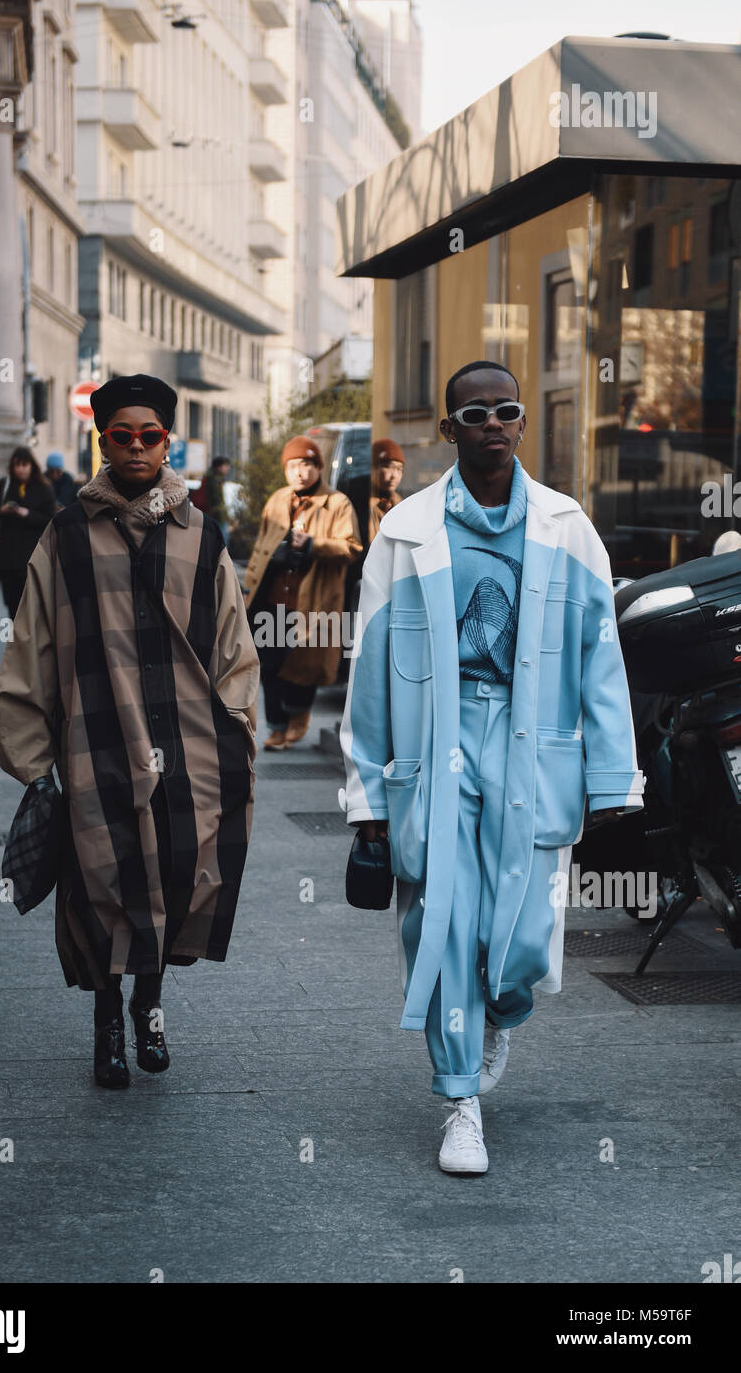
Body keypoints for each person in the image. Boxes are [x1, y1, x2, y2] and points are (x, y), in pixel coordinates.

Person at [340, 361, 643, 1174]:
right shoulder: (405, 530)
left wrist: (614, 777)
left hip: (532, 743)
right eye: (473, 414)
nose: (492, 423)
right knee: (442, 916)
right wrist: (366, 788)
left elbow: (598, 656)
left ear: (520, 423)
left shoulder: (565, 524)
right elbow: (369, 665)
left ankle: (500, 1011)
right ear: (449, 430)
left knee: (524, 940)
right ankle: (459, 1100)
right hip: (435, 744)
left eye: (505, 410)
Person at [0, 374, 259, 1089]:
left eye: (150, 435)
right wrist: (34, 755)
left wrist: (234, 729)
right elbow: (31, 642)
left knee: (175, 878)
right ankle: (107, 1024)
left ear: (167, 440)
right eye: (122, 435)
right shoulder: (67, 533)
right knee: (100, 882)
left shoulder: (202, 536)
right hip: (96, 737)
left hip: (185, 744)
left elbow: (234, 645)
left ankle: (151, 1007)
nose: (137, 446)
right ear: (101, 440)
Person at [244, 436, 362, 751]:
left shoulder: (338, 503)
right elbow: (259, 548)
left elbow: (351, 548)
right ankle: (277, 727)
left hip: (312, 603)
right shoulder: (277, 501)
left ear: (319, 468)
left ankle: (297, 718)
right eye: (294, 466)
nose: (300, 472)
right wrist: (249, 587)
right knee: (269, 665)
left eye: (308, 465)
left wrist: (312, 544)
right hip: (272, 599)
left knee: (303, 666)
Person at [0, 448, 57, 619]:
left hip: (32, 555)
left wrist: (27, 514)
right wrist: (2, 510)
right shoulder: (4, 486)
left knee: (32, 607)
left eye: (24, 465)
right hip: (8, 557)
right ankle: (16, 642)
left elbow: (50, 518)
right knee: (12, 605)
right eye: (17, 465)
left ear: (32, 466)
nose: (21, 469)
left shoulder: (43, 488)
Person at [368, 438, 405, 544]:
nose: (394, 475)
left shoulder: (400, 504)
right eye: (388, 467)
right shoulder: (364, 504)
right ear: (373, 468)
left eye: (399, 469)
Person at [203, 456, 232, 546]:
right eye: (226, 465)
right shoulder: (215, 480)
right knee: (222, 542)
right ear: (219, 467)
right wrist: (226, 517)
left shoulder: (211, 478)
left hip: (212, 515)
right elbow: (218, 501)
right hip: (218, 516)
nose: (228, 468)